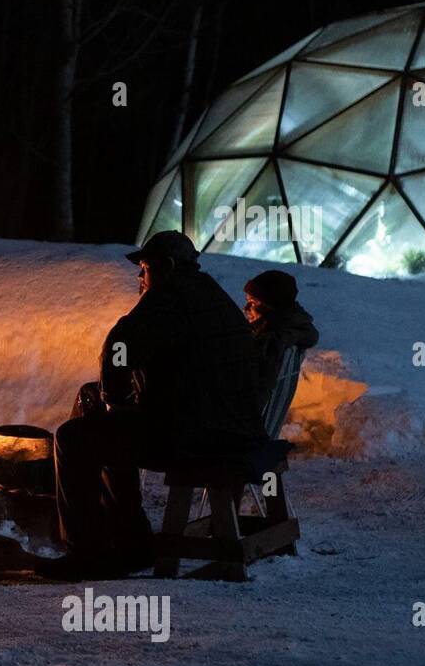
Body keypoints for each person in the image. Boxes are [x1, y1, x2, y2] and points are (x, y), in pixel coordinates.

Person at [35, 231, 266, 581]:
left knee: (73, 437)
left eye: (144, 268)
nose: (140, 278)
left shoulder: (169, 297)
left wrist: (114, 402)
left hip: (198, 438)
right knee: (102, 422)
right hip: (229, 427)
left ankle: (86, 553)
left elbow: (119, 346)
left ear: (167, 267)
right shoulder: (210, 295)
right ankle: (131, 544)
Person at [243, 270, 319, 410]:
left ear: (271, 309)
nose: (246, 308)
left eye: (253, 303)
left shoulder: (268, 342)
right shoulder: (291, 332)